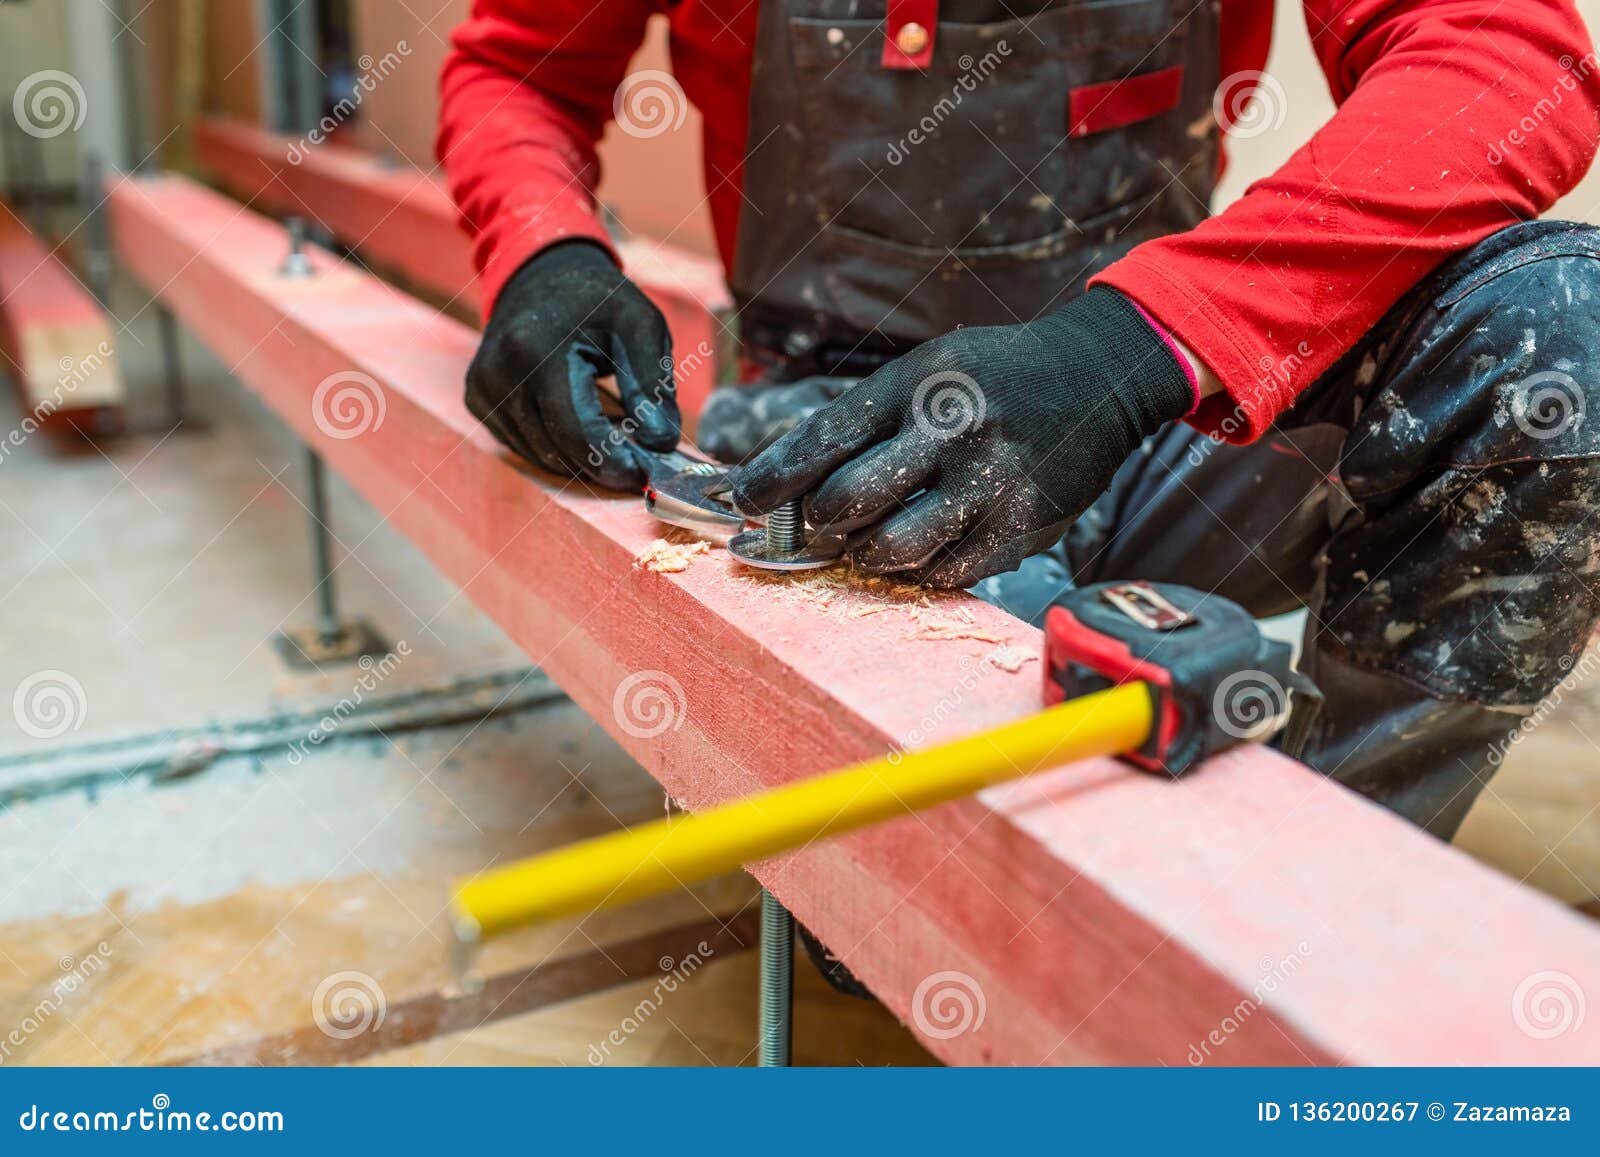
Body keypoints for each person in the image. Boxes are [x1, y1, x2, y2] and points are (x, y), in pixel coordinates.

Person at [439, 1, 1600, 842]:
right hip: (842, 441)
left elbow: (1504, 57)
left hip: (1170, 403)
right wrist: (541, 246)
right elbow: (517, 71)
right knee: (936, 851)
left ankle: (1335, 885)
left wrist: (1128, 349)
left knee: (1561, 332)